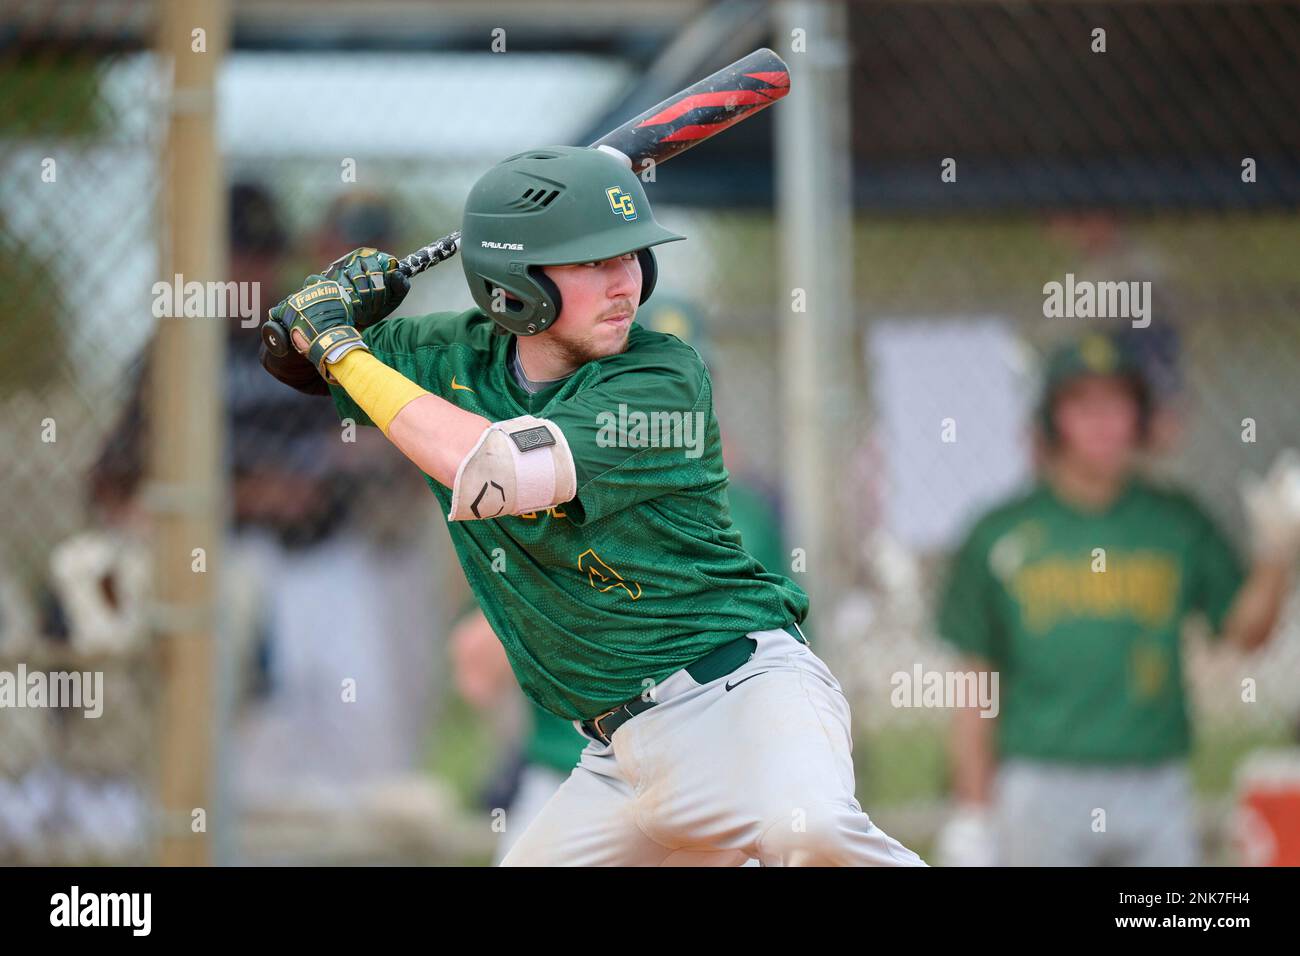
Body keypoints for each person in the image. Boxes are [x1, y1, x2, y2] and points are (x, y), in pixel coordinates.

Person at [260, 145, 924, 866]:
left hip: (743, 703)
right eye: (591, 263)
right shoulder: (451, 356)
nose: (624, 285)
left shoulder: (659, 377)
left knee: (813, 834)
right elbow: (294, 353)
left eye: (632, 256)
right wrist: (330, 304)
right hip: (617, 754)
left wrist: (340, 346)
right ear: (515, 282)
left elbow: (493, 471)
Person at [935, 331, 1300, 866]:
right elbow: (975, 681)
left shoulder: (1176, 521)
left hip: (1154, 776)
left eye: (1118, 404)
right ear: (1052, 419)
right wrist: (972, 811)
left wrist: (1276, 555)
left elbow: (1245, 635)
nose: (1104, 423)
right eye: (1083, 405)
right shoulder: (1000, 531)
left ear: (1141, 416)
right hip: (1041, 775)